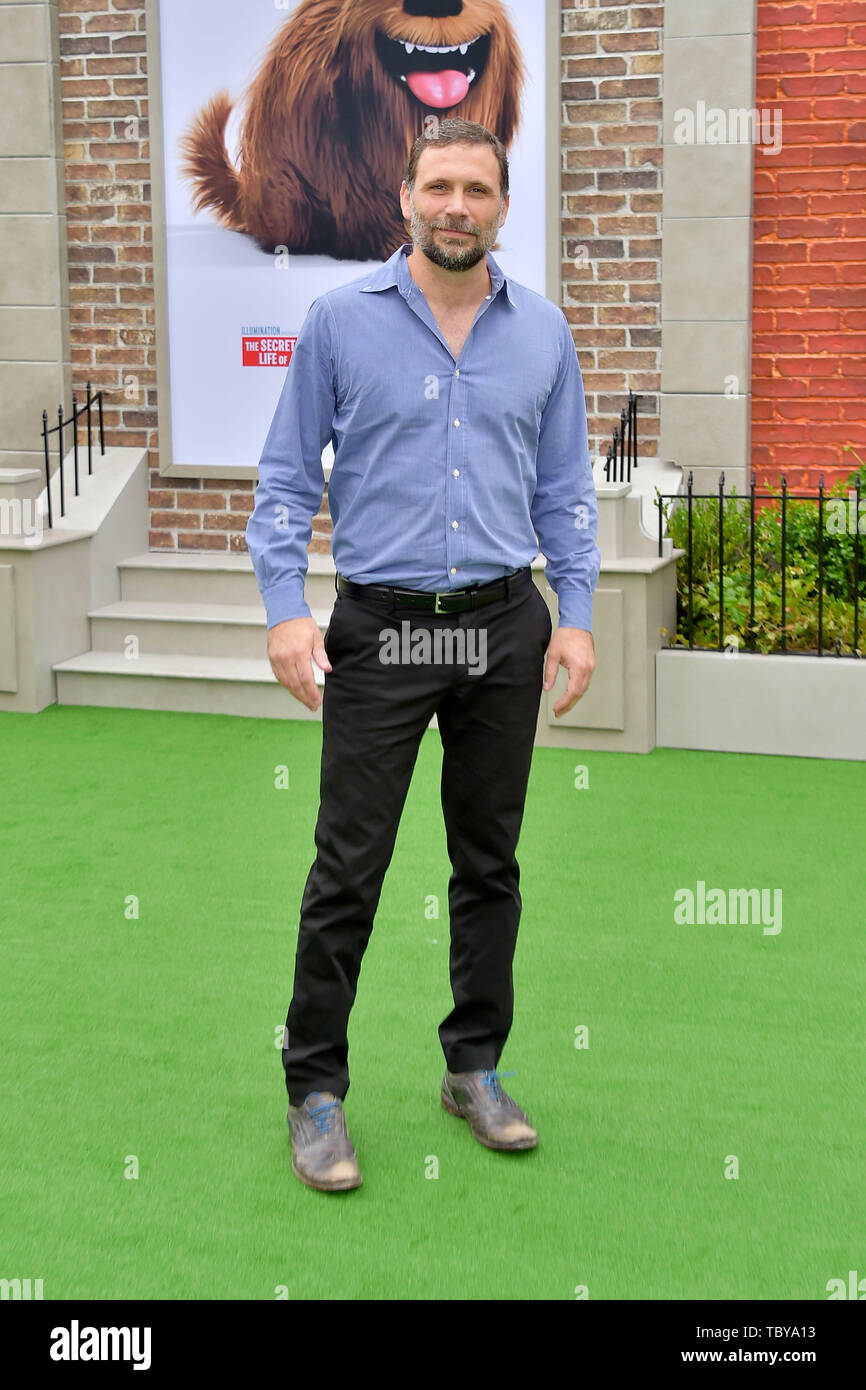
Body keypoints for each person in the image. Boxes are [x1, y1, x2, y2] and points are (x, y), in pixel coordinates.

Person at [245, 118, 601, 1193]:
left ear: (502, 206)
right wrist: (285, 609)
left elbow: (564, 492)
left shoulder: (543, 333)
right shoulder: (339, 322)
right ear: (404, 197)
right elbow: (285, 479)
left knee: (488, 862)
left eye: (476, 190)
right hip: (384, 629)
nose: (456, 206)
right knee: (348, 865)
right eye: (438, 186)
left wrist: (575, 614)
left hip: (501, 625)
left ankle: (473, 1067)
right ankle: (315, 1089)